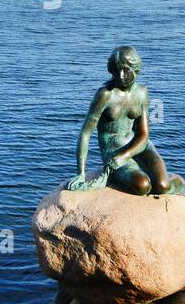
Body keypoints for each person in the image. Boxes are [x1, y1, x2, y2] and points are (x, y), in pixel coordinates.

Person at [67, 45, 177, 196]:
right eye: (116, 70)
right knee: (143, 186)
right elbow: (85, 134)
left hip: (140, 147)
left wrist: (124, 156)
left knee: (163, 186)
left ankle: (178, 183)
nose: (120, 75)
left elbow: (144, 136)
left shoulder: (142, 93)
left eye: (126, 70)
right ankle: (121, 175)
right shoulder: (105, 95)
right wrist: (81, 173)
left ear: (136, 68)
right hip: (113, 151)